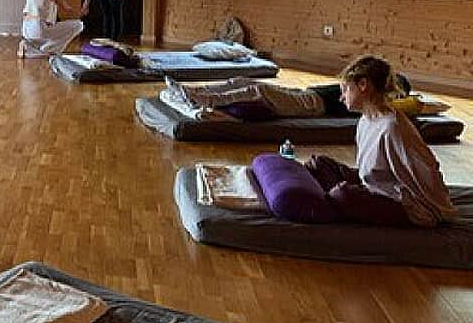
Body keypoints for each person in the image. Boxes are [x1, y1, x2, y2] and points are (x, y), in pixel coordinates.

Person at [303, 55, 454, 227]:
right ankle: (326, 200)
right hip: (375, 185)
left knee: (343, 195)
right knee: (318, 164)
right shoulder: (365, 120)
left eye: (345, 90)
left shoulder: (393, 127)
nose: (341, 97)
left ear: (363, 86)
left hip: (405, 205)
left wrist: (437, 210)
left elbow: (428, 170)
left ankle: (324, 205)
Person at [164, 76, 326, 118]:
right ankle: (195, 90)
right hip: (305, 92)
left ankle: (207, 100)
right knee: (241, 81)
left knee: (259, 90)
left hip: (311, 104)